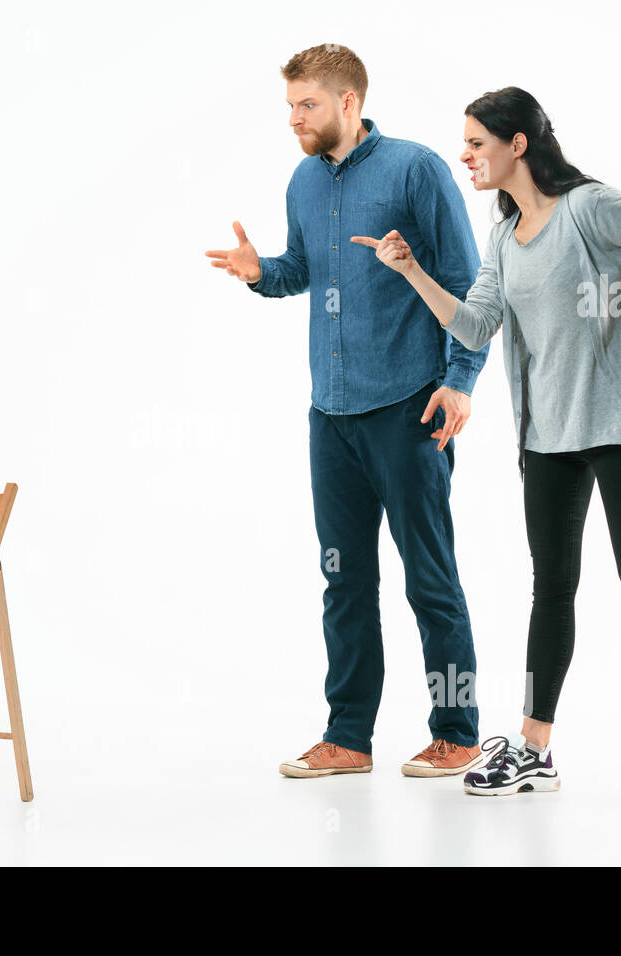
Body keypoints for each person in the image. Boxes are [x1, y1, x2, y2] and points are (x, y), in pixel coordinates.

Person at [352, 86, 621, 806]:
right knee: (551, 590)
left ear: (517, 144)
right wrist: (411, 271)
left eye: (477, 144)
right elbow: (473, 326)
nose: (465, 155)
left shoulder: (591, 207)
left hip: (618, 427)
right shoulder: (503, 235)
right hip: (546, 438)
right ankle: (534, 748)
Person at [206, 44, 492, 779]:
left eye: (308, 105)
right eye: (291, 106)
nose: (295, 119)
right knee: (344, 579)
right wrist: (259, 272)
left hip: (408, 408)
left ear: (349, 103)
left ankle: (456, 731)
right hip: (329, 417)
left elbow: (470, 288)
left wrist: (459, 380)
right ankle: (349, 736)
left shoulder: (416, 169)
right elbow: (303, 271)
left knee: (429, 575)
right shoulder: (303, 180)